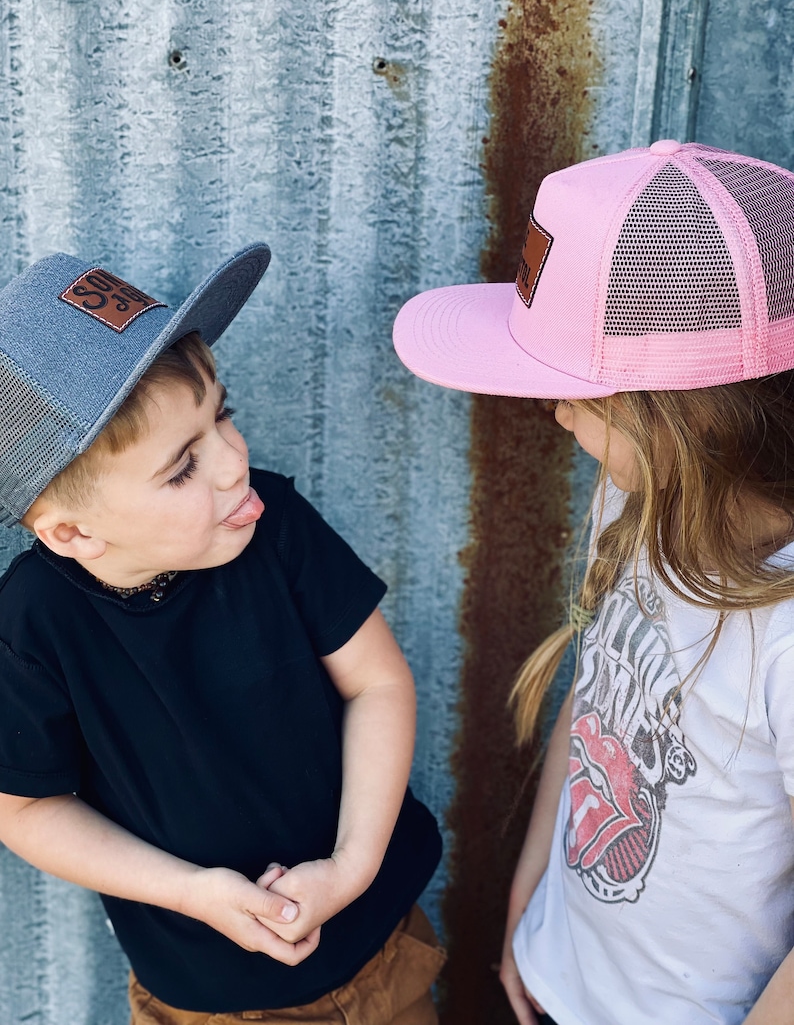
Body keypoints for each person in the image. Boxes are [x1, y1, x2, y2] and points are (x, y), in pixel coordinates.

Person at [392, 140, 794, 1024]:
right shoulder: (641, 490)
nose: (551, 409)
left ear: (685, 419)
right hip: (557, 976)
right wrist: (526, 905)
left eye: (578, 393)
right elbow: (603, 687)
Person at [0, 244, 444, 1025]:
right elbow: (28, 810)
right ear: (73, 532)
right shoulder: (36, 623)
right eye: (182, 467)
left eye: (223, 415)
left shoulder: (277, 529)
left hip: (382, 957)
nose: (235, 463)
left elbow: (379, 681)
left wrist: (349, 867)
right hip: (202, 1002)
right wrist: (190, 891)